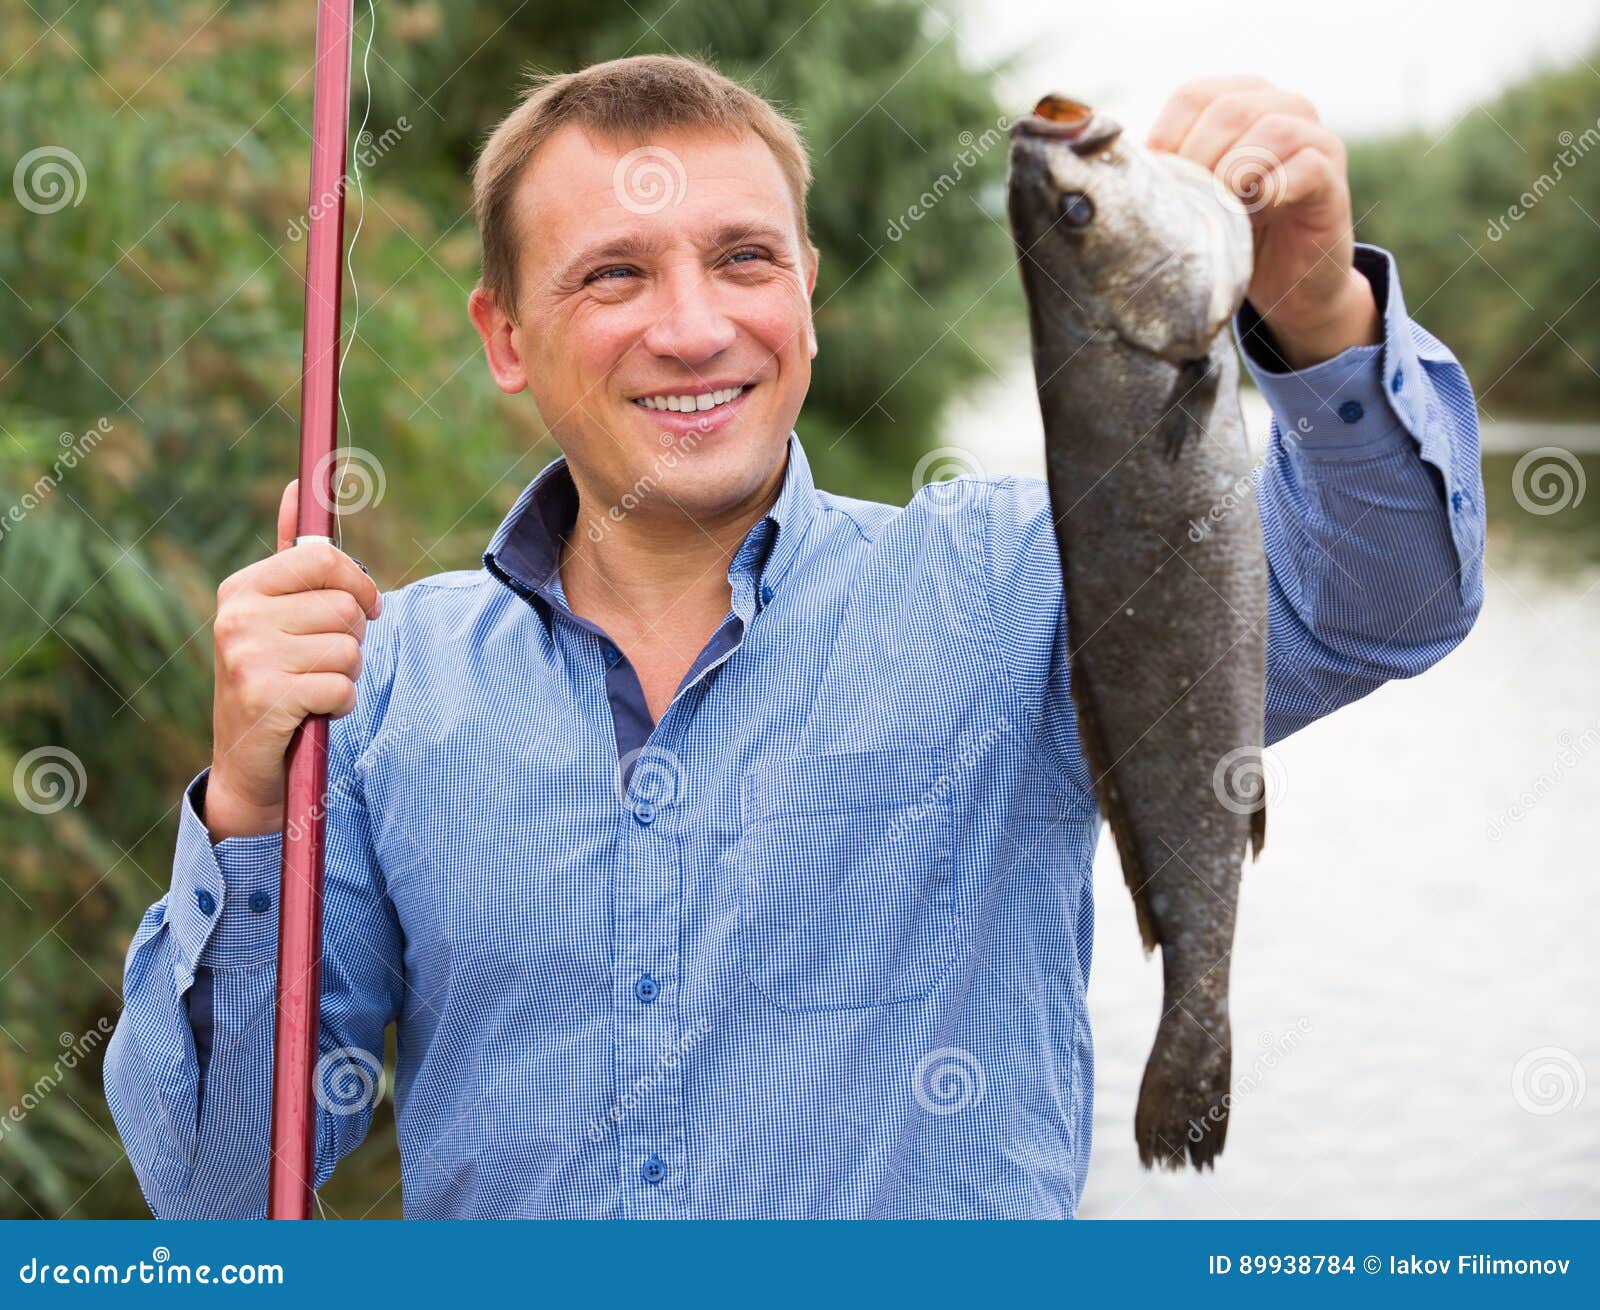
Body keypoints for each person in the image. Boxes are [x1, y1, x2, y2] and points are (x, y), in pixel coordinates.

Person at [104, 54, 1484, 1219]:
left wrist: (1315, 317)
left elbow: (1386, 600)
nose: (695, 328)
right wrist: (243, 798)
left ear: (809, 296)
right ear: (506, 336)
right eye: (614, 276)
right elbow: (221, 1189)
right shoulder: (376, 683)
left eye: (745, 259)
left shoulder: (1025, 577)